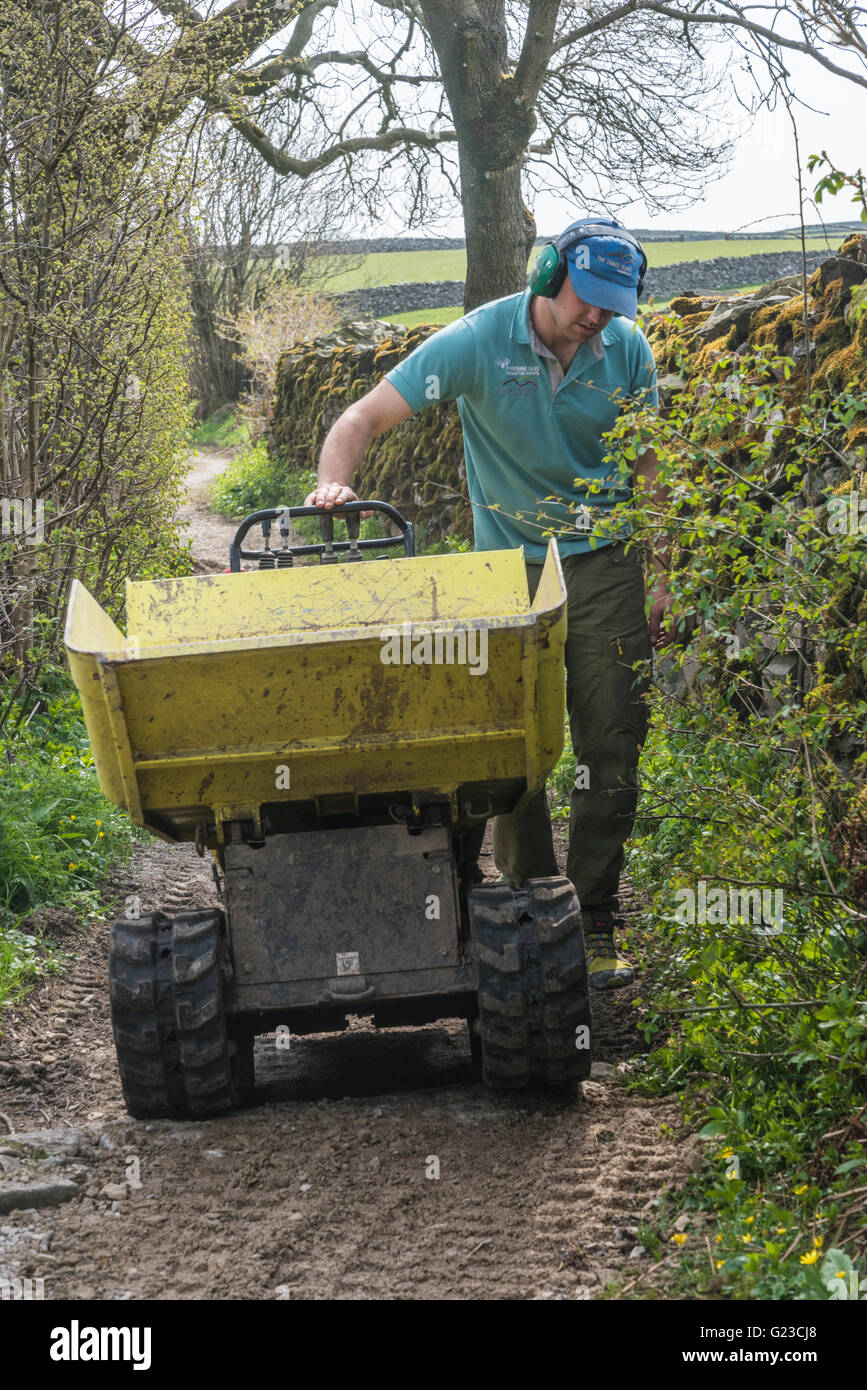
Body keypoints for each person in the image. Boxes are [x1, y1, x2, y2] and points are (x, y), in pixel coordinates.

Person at [305, 217, 675, 989]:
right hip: (505, 574)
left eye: (613, 304)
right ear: (547, 275)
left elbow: (649, 468)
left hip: (605, 566)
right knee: (517, 751)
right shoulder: (478, 341)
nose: (597, 317)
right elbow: (361, 416)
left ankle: (598, 915)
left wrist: (663, 573)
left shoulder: (627, 353)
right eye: (587, 299)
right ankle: (535, 908)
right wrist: (333, 482)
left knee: (611, 744)